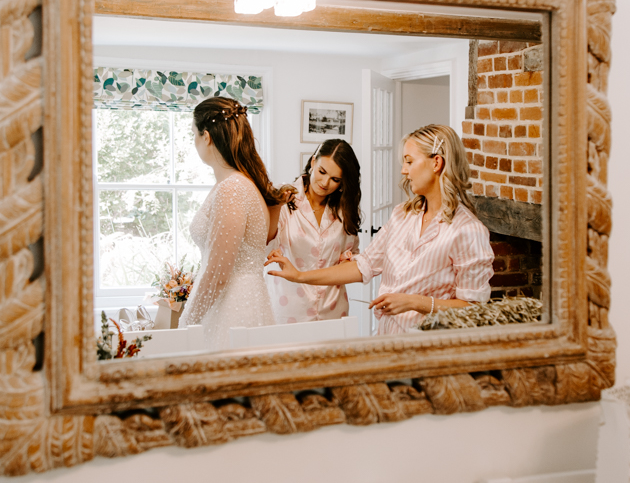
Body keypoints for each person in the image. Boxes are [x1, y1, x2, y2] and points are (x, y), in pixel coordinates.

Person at [267, 124, 494, 335]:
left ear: (436, 163)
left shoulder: (468, 231)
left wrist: (414, 302)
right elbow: (364, 265)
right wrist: (300, 276)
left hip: (429, 346)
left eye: (409, 161)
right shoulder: (401, 215)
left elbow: (474, 309)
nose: (403, 170)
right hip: (387, 337)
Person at [179, 97, 289, 350]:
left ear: (206, 137)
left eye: (193, 134)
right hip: (240, 302)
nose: (194, 141)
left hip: (231, 309)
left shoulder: (233, 189)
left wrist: (188, 324)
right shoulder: (238, 184)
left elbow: (218, 273)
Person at [267, 139, 361, 324]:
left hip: (333, 308)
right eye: (322, 172)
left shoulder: (344, 209)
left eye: (335, 179)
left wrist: (348, 259)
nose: (325, 183)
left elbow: (351, 254)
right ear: (312, 162)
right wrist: (276, 207)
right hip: (289, 307)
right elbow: (267, 243)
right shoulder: (283, 197)